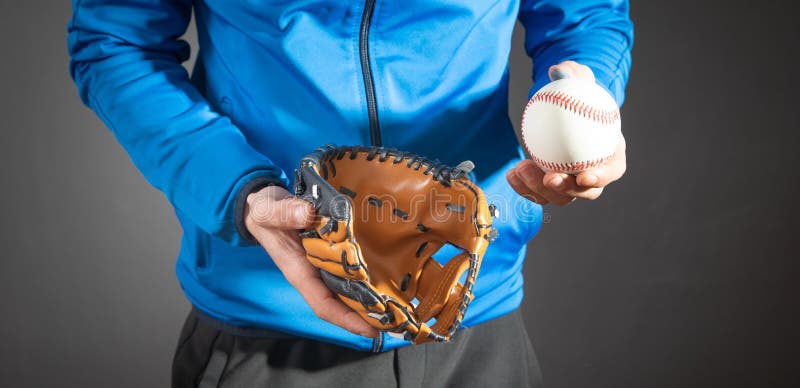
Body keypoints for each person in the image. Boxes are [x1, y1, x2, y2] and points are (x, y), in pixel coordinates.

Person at [68, 1, 632, 386]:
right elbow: (116, 40)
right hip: (267, 326)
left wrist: (587, 100)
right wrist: (242, 192)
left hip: (476, 316)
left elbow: (586, 15)